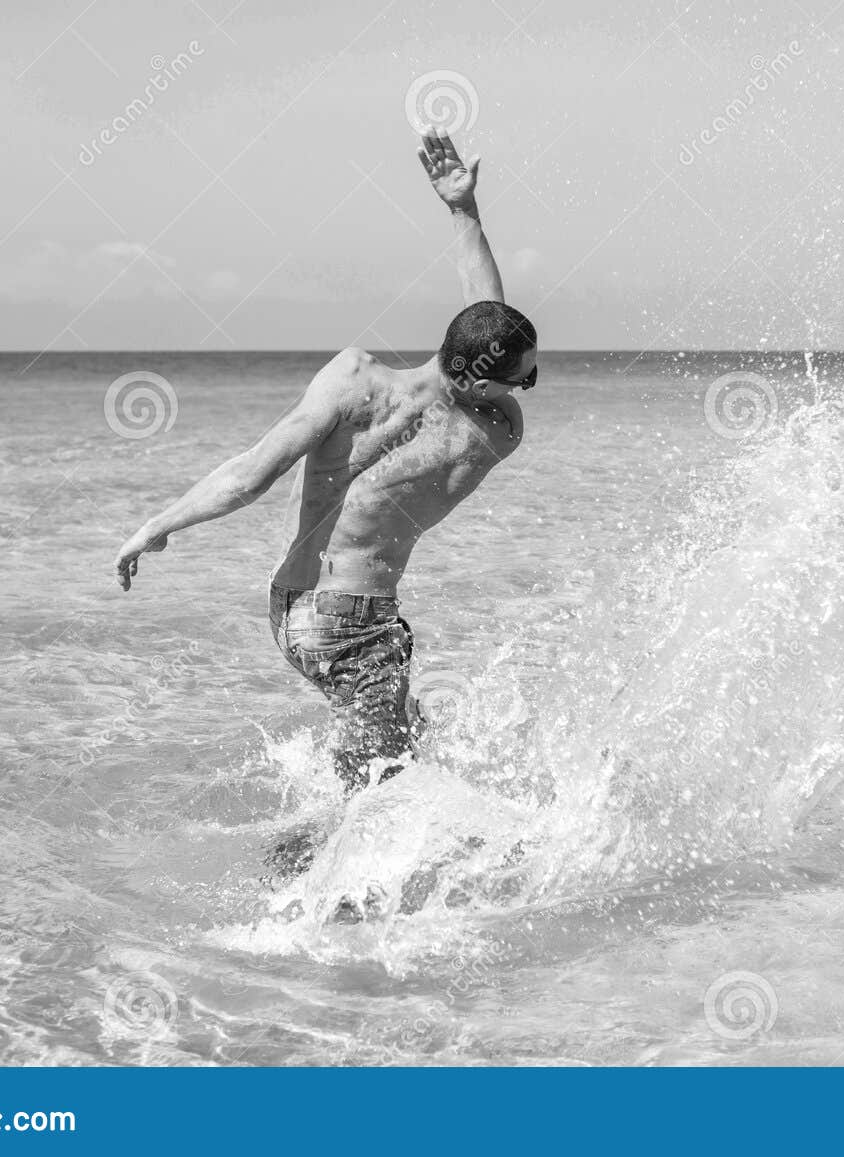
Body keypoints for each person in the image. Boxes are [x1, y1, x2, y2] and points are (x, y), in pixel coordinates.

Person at [111, 128, 536, 874]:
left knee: (403, 747)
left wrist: (157, 524)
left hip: (289, 609)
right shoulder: (492, 430)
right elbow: (488, 327)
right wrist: (466, 216)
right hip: (355, 623)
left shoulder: (352, 378)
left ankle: (332, 893)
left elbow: (251, 475)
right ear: (479, 382)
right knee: (380, 790)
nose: (529, 388)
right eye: (522, 378)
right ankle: (293, 906)